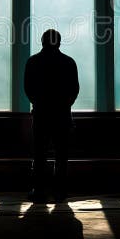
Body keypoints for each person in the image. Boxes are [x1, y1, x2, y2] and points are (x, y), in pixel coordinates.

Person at [24, 29, 79, 203]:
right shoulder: (69, 62)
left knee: (40, 153)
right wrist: (64, 105)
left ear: (42, 41)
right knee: (61, 154)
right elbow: (74, 89)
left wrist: (39, 103)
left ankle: (39, 190)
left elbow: (28, 88)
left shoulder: (33, 62)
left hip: (41, 114)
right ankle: (60, 190)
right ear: (59, 42)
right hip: (62, 114)